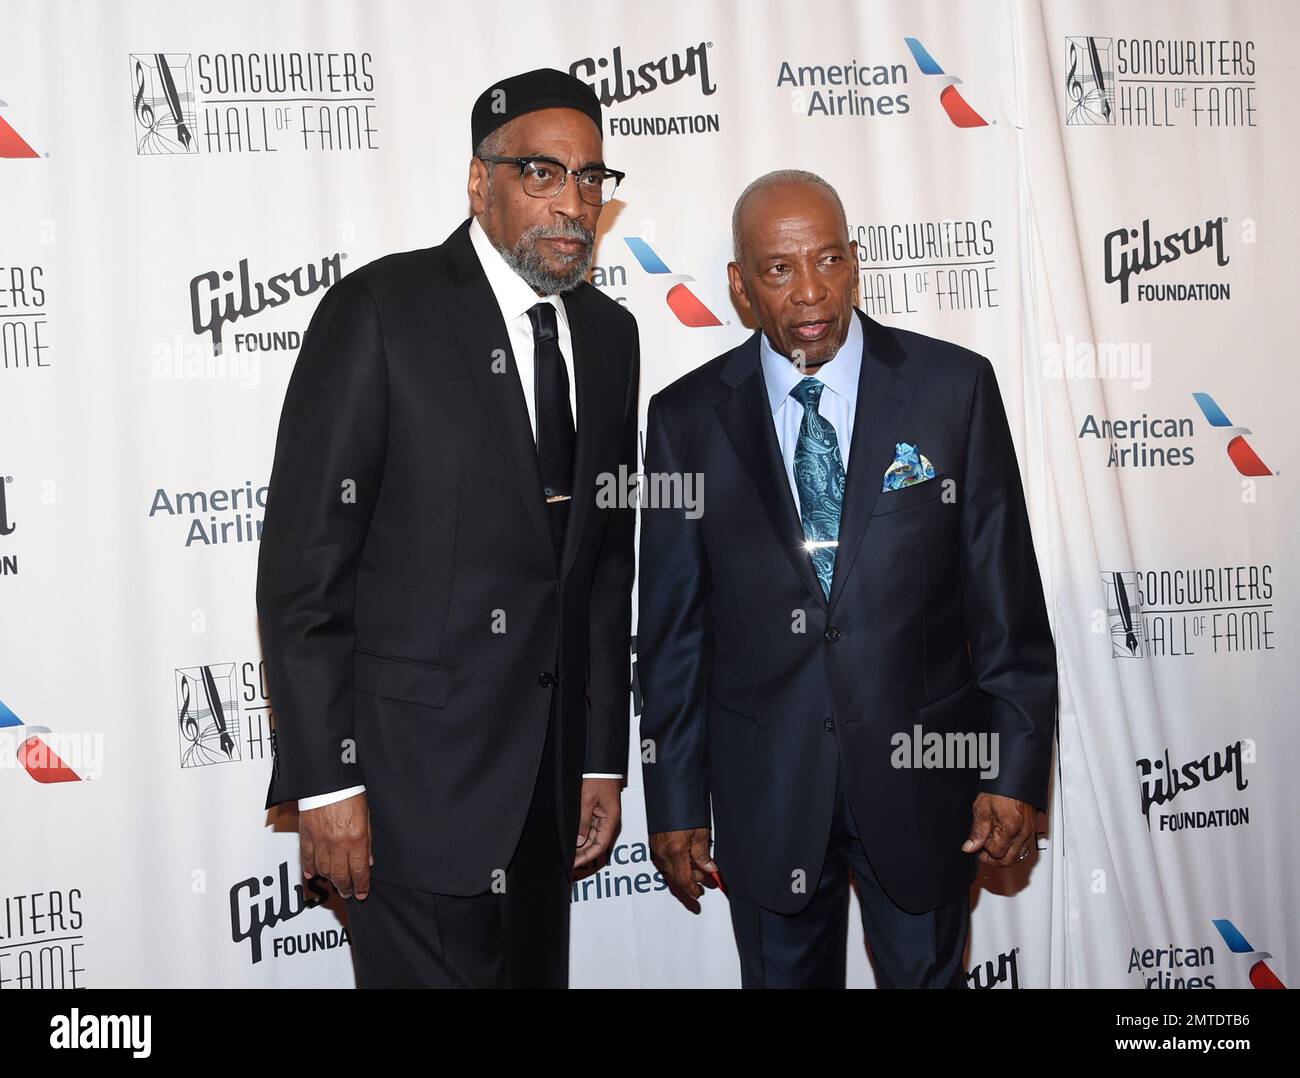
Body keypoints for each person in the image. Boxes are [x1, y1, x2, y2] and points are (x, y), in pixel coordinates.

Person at [256, 67, 639, 988]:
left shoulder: (611, 335)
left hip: (546, 800)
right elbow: (304, 575)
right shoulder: (381, 311)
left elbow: (598, 569)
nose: (573, 202)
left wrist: (598, 759)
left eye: (590, 178)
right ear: (481, 182)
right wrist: (328, 783)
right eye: (542, 173)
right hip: (407, 798)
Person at [637, 170, 1056, 988]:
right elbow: (673, 634)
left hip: (925, 785)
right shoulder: (685, 420)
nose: (810, 293)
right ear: (739, 285)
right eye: (779, 269)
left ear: (856, 260)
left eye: (828, 260)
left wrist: (1013, 773)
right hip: (767, 793)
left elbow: (1007, 606)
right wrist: (677, 800)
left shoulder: (952, 390)